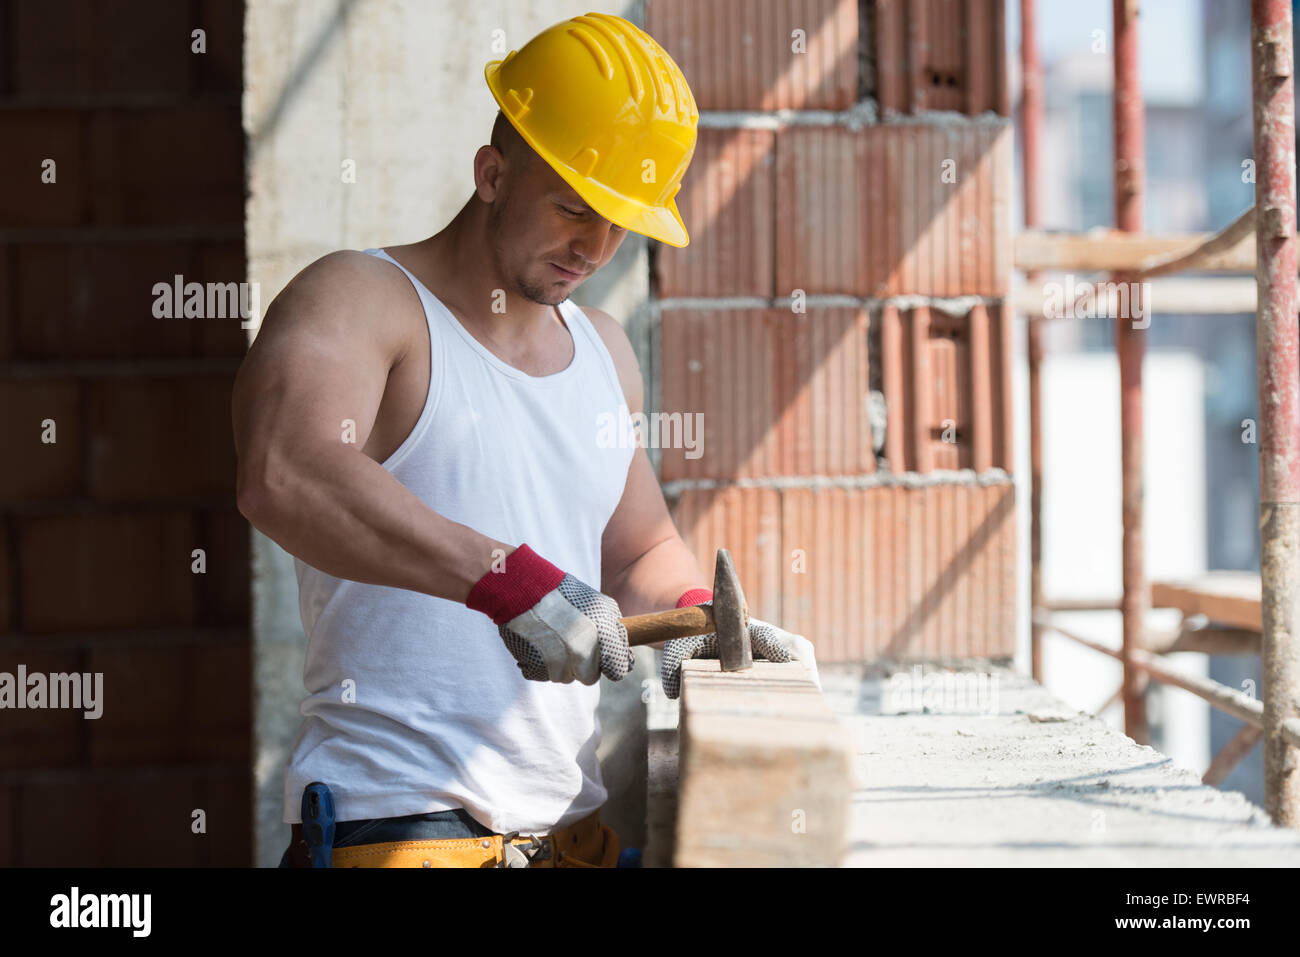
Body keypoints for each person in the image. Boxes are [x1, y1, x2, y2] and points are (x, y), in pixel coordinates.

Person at [232, 12, 819, 869]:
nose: (596, 247)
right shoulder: (362, 301)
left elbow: (638, 542)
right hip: (397, 829)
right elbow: (284, 472)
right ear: (492, 172)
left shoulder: (605, 352)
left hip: (567, 840)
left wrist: (693, 619)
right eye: (575, 208)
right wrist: (507, 581)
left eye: (623, 222)